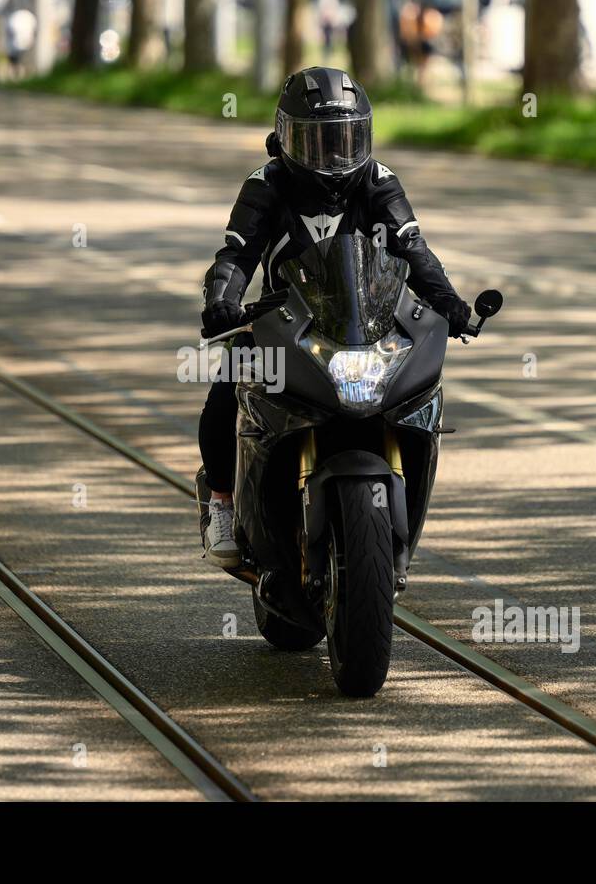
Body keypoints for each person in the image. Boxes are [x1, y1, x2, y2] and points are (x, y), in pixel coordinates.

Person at [197, 67, 472, 567]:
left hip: (365, 322)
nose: (334, 156)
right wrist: (221, 300)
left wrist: (449, 302)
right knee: (225, 387)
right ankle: (220, 500)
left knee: (413, 396)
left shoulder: (379, 181)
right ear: (285, 138)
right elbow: (235, 255)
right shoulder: (266, 184)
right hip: (283, 323)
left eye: (346, 139)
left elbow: (413, 248)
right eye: (318, 141)